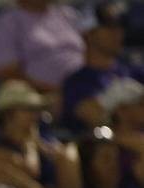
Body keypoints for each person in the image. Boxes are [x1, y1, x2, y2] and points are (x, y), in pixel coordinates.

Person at [0, 80, 82, 188]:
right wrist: (31, 144)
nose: (35, 116)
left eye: (36, 110)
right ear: (8, 114)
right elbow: (32, 172)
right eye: (28, 109)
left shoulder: (42, 141)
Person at [60, 1, 143, 134]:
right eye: (109, 27)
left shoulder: (134, 71)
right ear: (88, 33)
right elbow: (89, 117)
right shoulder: (77, 82)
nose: (118, 33)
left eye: (120, 27)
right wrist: (111, 98)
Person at [0, 0, 85, 94]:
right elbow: (7, 73)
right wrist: (57, 92)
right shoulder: (6, 23)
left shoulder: (67, 14)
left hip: (88, 86)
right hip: (43, 97)